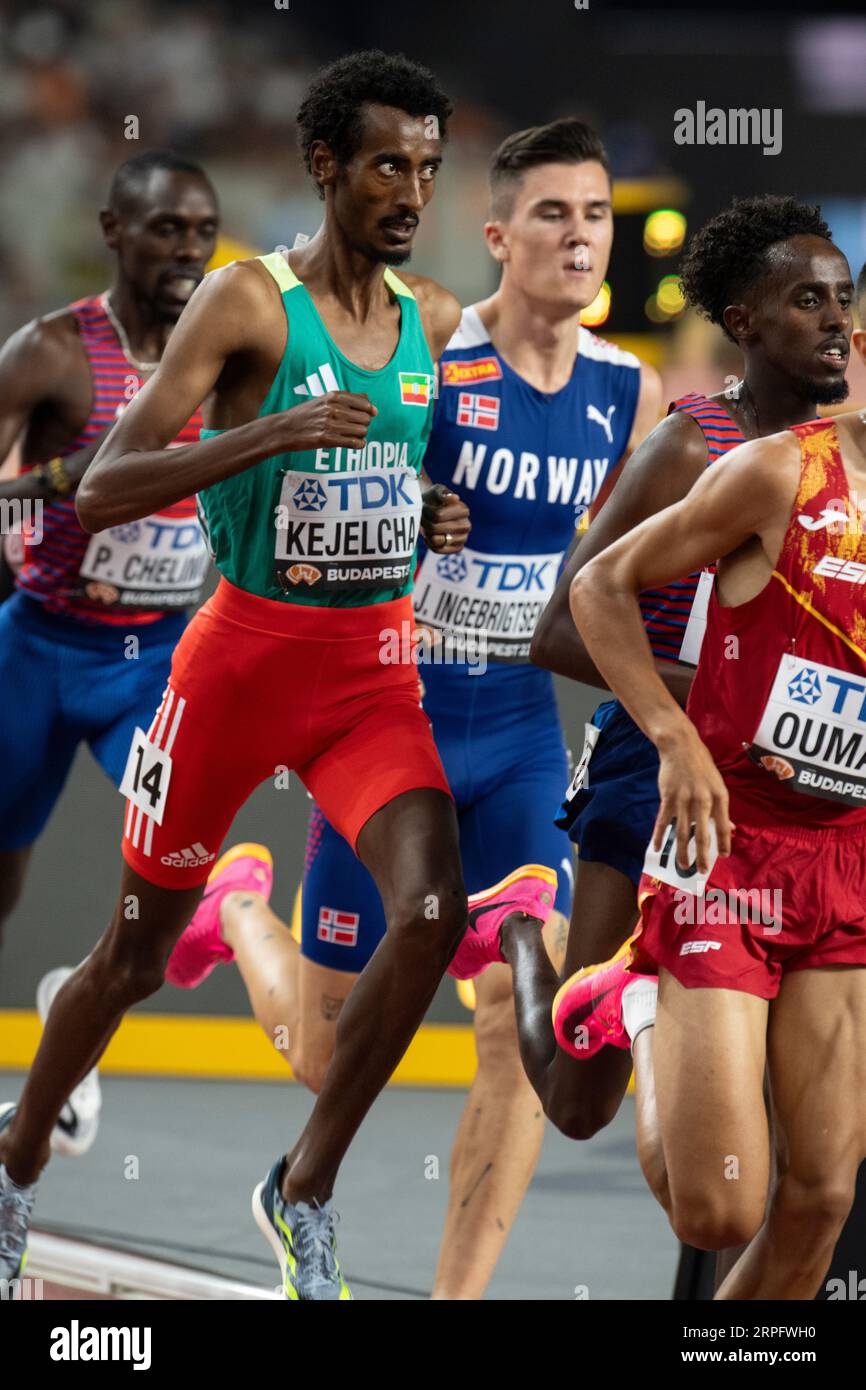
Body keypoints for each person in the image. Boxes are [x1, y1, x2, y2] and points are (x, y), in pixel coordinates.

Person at [0, 51, 555, 1302]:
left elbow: (364, 485)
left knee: (427, 912)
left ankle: (301, 1184)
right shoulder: (250, 303)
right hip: (237, 660)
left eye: (423, 163)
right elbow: (99, 487)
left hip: (368, 672)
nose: (409, 186)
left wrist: (418, 508)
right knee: (132, 959)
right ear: (322, 166)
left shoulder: (424, 312)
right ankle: (20, 1156)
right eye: (382, 164)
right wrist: (268, 432)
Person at [169, 116, 660, 1301]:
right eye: (551, 213)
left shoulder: (627, 392)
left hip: (518, 743)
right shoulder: (433, 349)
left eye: (595, 214)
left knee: (514, 1035)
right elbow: (325, 485)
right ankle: (236, 907)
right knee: (327, 1055)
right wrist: (415, 498)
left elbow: (627, 572)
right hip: (389, 721)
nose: (578, 236)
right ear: (497, 234)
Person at [498, 199, 853, 1189]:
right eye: (803, 300)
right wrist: (726, 704)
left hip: (786, 798)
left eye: (841, 300)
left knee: (791, 1118)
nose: (832, 320)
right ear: (741, 321)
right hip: (651, 760)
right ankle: (525, 926)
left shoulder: (839, 465)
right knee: (577, 1104)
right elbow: (560, 624)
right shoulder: (692, 445)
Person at [0, 149, 219, 1156]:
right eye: (165, 229)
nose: (186, 250)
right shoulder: (48, 353)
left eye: (201, 231)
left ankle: (69, 1035)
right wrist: (57, 479)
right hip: (40, 654)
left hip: (155, 663)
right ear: (113, 231)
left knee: (178, 862)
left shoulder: (234, 357)